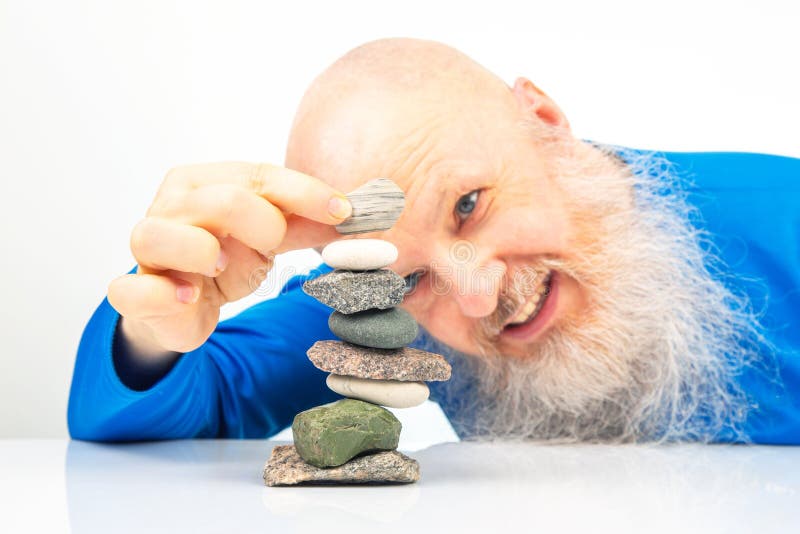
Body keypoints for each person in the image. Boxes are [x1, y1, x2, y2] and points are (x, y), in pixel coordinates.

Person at [67, 38, 800, 443]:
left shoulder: (783, 214)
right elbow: (165, 408)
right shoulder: (388, 315)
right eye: (411, 278)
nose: (477, 297)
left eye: (469, 206)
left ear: (543, 119)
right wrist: (164, 308)